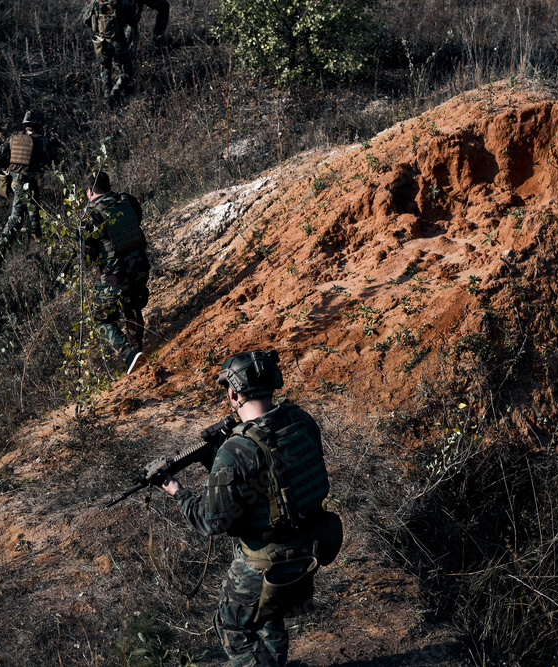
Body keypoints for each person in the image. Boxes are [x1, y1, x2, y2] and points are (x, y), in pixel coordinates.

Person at [162, 350, 340, 666]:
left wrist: (177, 491)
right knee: (268, 615)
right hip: (310, 545)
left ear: (233, 392)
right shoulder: (300, 419)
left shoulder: (237, 450)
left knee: (233, 626)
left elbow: (211, 522)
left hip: (265, 561)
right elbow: (277, 474)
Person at [83, 170, 150, 374]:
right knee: (131, 305)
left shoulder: (91, 214)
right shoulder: (127, 200)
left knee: (100, 318)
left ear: (89, 191)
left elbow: (88, 253)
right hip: (140, 265)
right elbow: (136, 220)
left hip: (115, 274)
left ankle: (128, 353)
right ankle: (138, 352)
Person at [0, 110, 61, 251]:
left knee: (34, 212)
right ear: (40, 125)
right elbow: (52, 160)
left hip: (13, 181)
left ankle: (39, 245)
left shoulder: (14, 138)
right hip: (27, 183)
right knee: (16, 217)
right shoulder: (42, 141)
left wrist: (10, 168)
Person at [83, 0, 136, 103]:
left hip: (101, 42)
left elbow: (86, 21)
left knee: (105, 68)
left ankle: (107, 95)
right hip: (119, 42)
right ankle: (115, 92)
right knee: (126, 71)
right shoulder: (122, 2)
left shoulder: (94, 2)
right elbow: (133, 20)